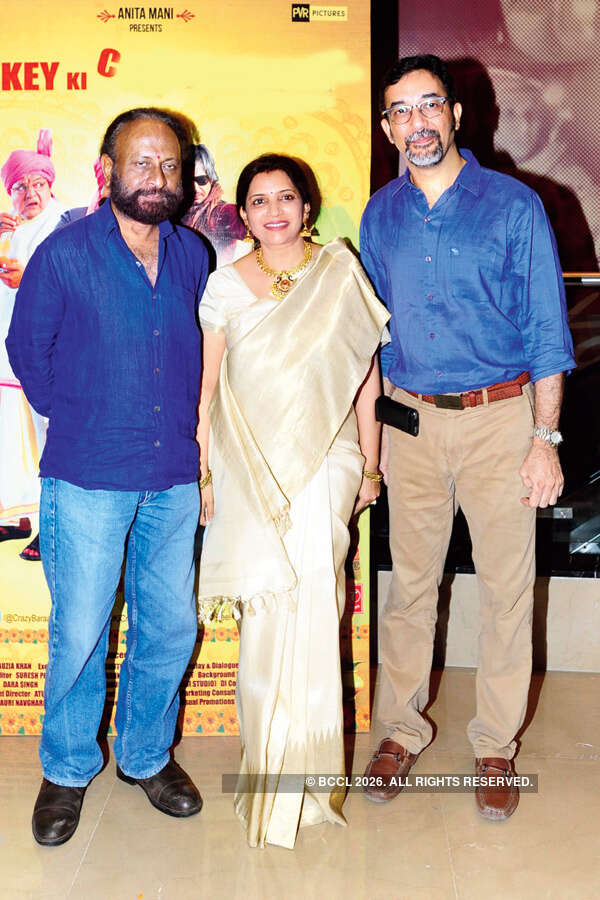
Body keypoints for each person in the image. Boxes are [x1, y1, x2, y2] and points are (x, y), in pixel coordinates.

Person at [360, 55, 575, 820]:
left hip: (499, 422)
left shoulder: (513, 206)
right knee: (410, 588)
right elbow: (374, 337)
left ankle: (493, 746)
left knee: (508, 591)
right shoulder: (379, 214)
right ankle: (398, 731)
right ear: (387, 128)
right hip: (411, 422)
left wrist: (543, 438)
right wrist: (372, 443)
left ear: (456, 115)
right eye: (399, 112)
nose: (415, 123)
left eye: (428, 107)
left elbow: (549, 331)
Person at [6, 107, 208, 846]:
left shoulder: (191, 254)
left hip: (174, 476)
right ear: (107, 169)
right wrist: (81, 415)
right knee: (82, 632)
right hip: (88, 476)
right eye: (141, 163)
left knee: (170, 625)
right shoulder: (65, 255)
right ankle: (65, 770)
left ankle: (145, 755)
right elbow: (28, 349)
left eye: (170, 166)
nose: (157, 179)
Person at [197, 153, 389, 849]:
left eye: (286, 198)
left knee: (316, 604)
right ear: (242, 214)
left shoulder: (339, 272)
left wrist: (369, 464)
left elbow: (366, 382)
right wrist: (205, 472)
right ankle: (267, 776)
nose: (273, 210)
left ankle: (311, 782)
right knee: (267, 614)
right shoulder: (222, 285)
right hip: (249, 467)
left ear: (307, 207)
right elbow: (208, 390)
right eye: (258, 200)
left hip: (329, 460)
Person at [0, 130, 65, 560]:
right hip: (8, 354)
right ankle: (17, 516)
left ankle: (51, 525)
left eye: (37, 184)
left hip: (50, 353)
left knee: (49, 437)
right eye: (19, 187)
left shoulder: (66, 226)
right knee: (9, 435)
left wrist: (31, 280)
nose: (29, 193)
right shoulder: (9, 230)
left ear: (50, 187)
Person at [182, 143, 246, 265]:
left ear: (211, 179)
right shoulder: (175, 212)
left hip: (218, 281)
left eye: (201, 180)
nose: (195, 188)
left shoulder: (224, 212)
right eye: (187, 181)